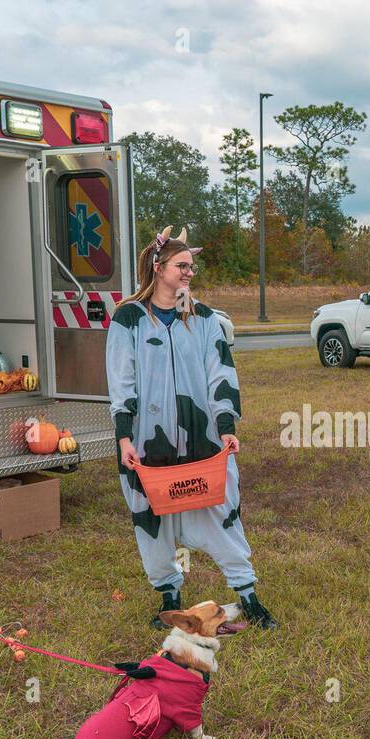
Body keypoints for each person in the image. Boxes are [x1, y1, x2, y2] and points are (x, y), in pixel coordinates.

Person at [107, 226, 278, 630]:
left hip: (202, 443)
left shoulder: (202, 319)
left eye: (191, 267)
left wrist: (225, 425)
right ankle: (169, 595)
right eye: (182, 265)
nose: (188, 273)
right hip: (150, 441)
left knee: (223, 511)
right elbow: (121, 380)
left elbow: (220, 372)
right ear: (158, 267)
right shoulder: (129, 318)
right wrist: (124, 436)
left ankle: (248, 595)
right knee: (152, 515)